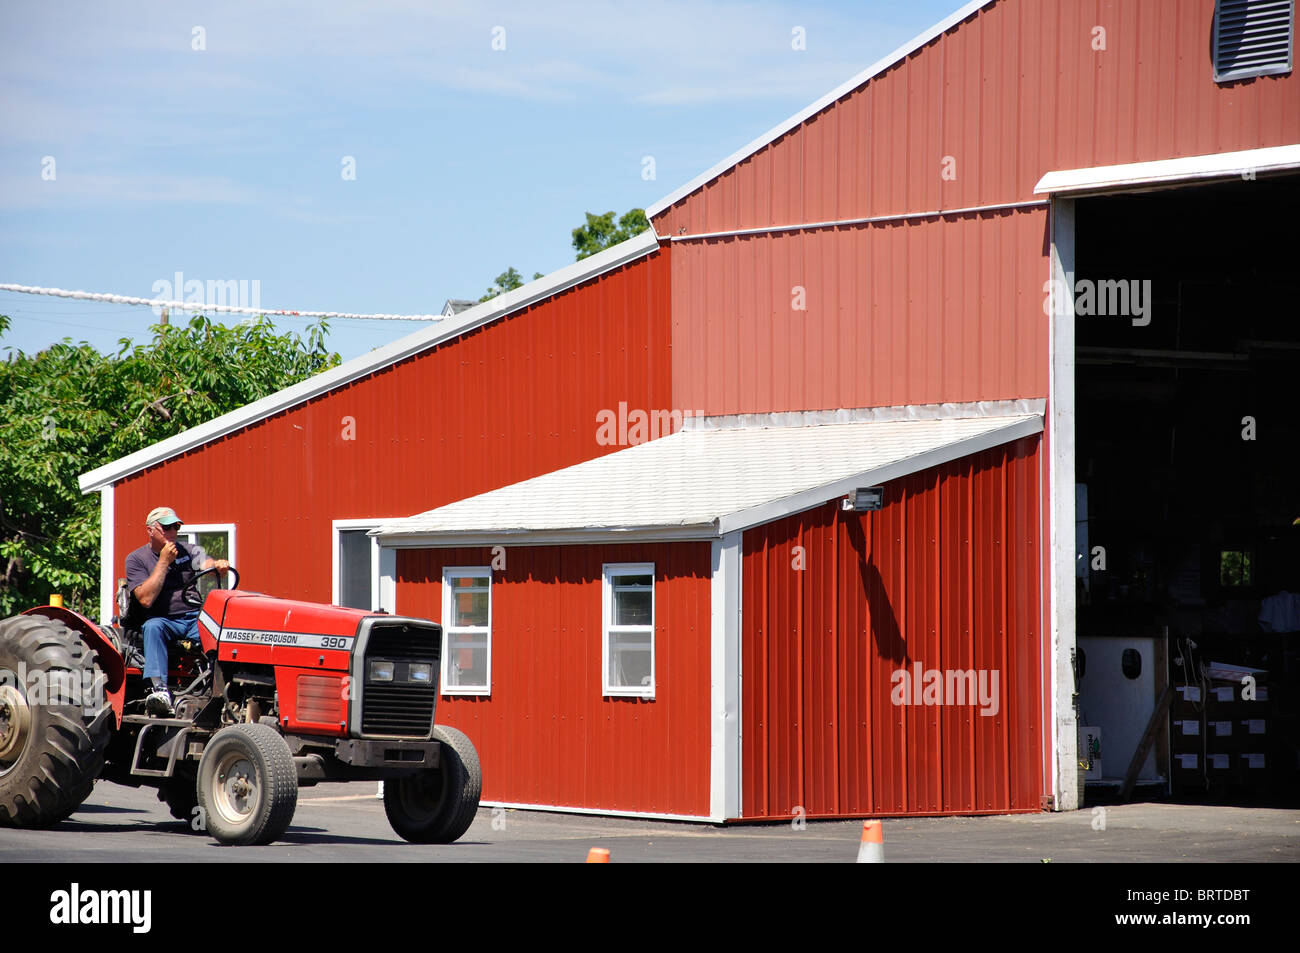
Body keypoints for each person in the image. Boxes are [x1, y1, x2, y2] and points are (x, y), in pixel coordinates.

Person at [124, 507, 230, 716]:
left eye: (176, 527)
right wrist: (164, 562)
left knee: (219, 630)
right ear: (150, 530)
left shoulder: (189, 550)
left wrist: (217, 566)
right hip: (163, 619)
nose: (173, 532)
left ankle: (221, 686)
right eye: (167, 527)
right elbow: (145, 599)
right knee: (153, 627)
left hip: (193, 617)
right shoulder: (136, 559)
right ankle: (159, 691)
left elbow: (206, 564)